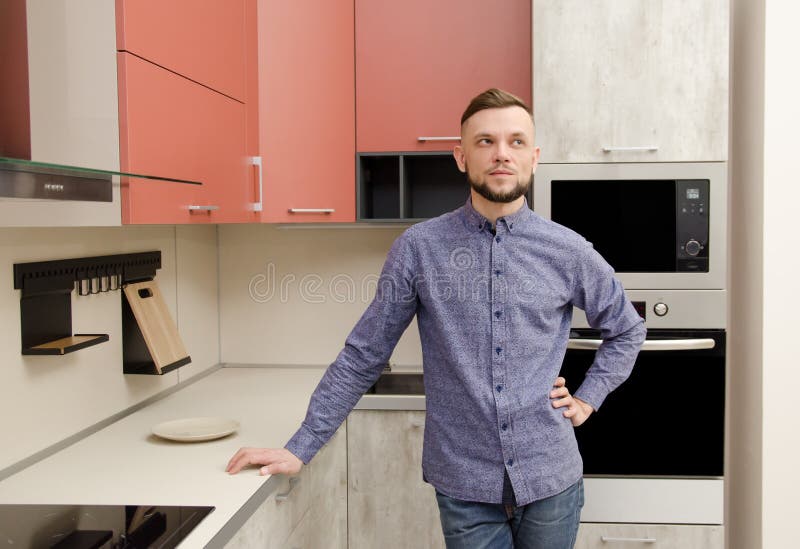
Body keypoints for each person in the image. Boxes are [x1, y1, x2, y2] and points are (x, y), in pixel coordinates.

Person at [227, 88, 646, 548]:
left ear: (534, 157)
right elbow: (364, 355)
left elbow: (627, 329)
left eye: (516, 142)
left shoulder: (569, 250)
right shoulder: (419, 248)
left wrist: (587, 398)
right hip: (464, 485)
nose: (501, 154)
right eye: (485, 141)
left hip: (551, 478)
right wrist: (300, 446)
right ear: (461, 156)